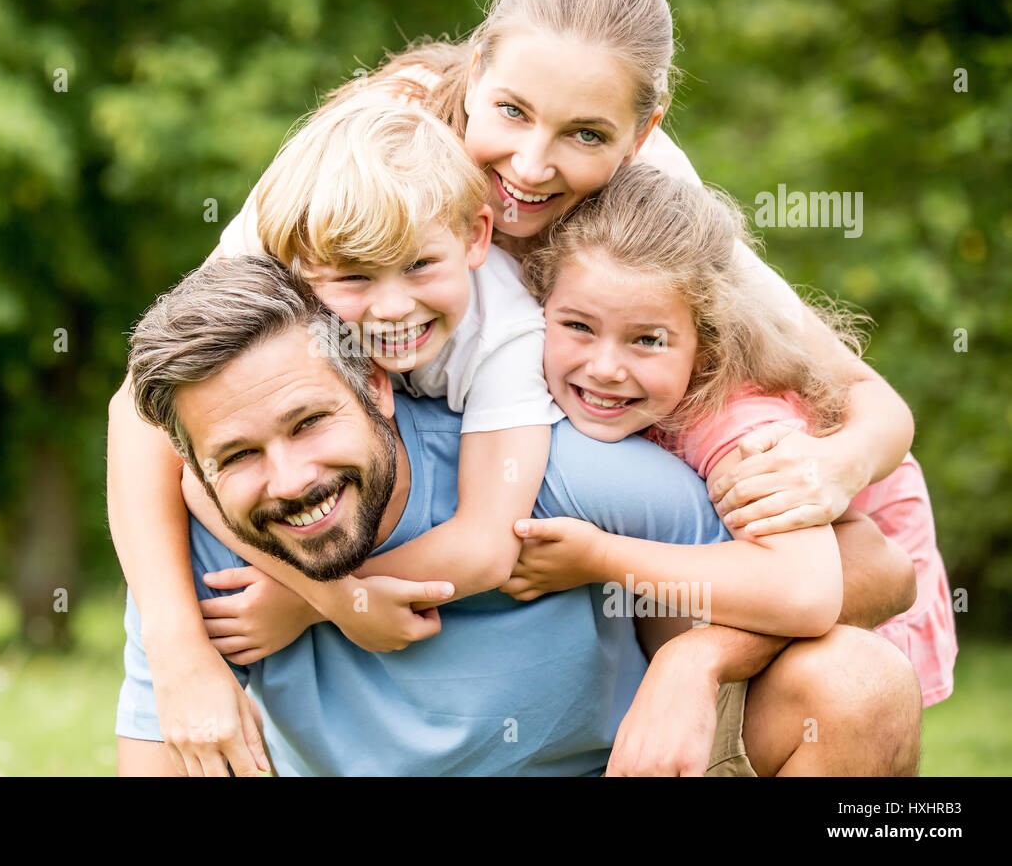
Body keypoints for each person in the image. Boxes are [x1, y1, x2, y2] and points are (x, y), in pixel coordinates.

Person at [106, 0, 918, 773]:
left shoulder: (647, 243)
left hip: (724, 487)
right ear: (478, 67)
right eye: (514, 113)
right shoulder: (360, 172)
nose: (530, 168)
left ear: (643, 133)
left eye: (587, 134)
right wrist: (205, 645)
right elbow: (154, 404)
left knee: (852, 671)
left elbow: (873, 466)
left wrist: (836, 465)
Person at [117, 254, 922, 777]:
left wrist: (698, 658)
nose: (290, 480)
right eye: (240, 455)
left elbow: (875, 571)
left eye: (307, 423)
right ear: (193, 469)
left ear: (376, 386)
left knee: (856, 681)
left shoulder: (546, 466)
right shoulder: (194, 557)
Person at [504, 164, 956, 706]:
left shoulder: (738, 424)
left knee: (835, 698)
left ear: (707, 345)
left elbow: (805, 593)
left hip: (866, 583)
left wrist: (598, 557)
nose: (604, 368)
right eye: (578, 326)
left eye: (646, 340)